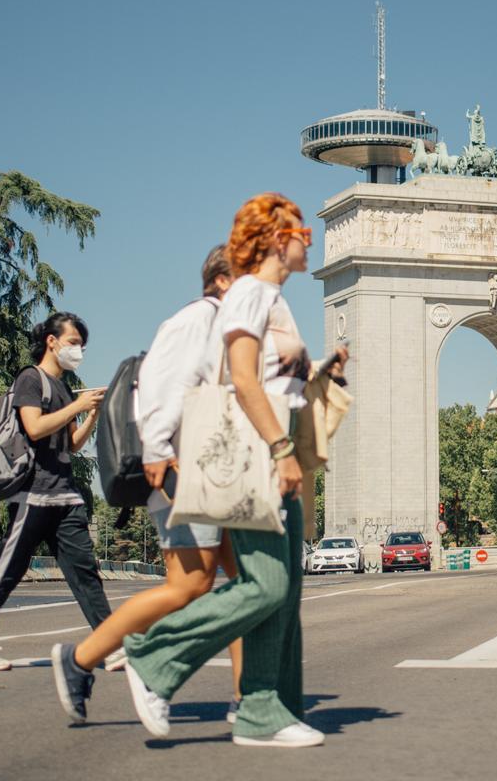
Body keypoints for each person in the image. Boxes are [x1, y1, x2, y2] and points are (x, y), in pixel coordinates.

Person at [121, 192, 348, 748]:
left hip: (277, 448)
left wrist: (322, 368)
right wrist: (279, 449)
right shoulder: (249, 292)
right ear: (275, 239)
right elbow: (242, 379)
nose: (307, 242)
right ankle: (154, 657)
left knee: (286, 593)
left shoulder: (271, 297)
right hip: (257, 454)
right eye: (301, 232)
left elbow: (271, 378)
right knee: (265, 585)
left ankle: (267, 712)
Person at [50, 246, 244, 723]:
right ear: (223, 281)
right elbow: (157, 386)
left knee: (246, 585)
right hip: (183, 470)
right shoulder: (194, 321)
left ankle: (249, 696)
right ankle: (82, 660)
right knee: (188, 586)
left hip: (214, 466)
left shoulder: (225, 327)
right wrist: (159, 451)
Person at [0, 312, 114, 671]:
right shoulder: (32, 379)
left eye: (82, 346)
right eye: (74, 343)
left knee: (85, 573)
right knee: (8, 571)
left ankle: (108, 644)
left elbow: (71, 445)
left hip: (64, 494)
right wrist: (77, 405)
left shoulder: (62, 386)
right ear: (52, 341)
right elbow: (34, 426)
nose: (79, 351)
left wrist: (90, 414)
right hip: (33, 494)